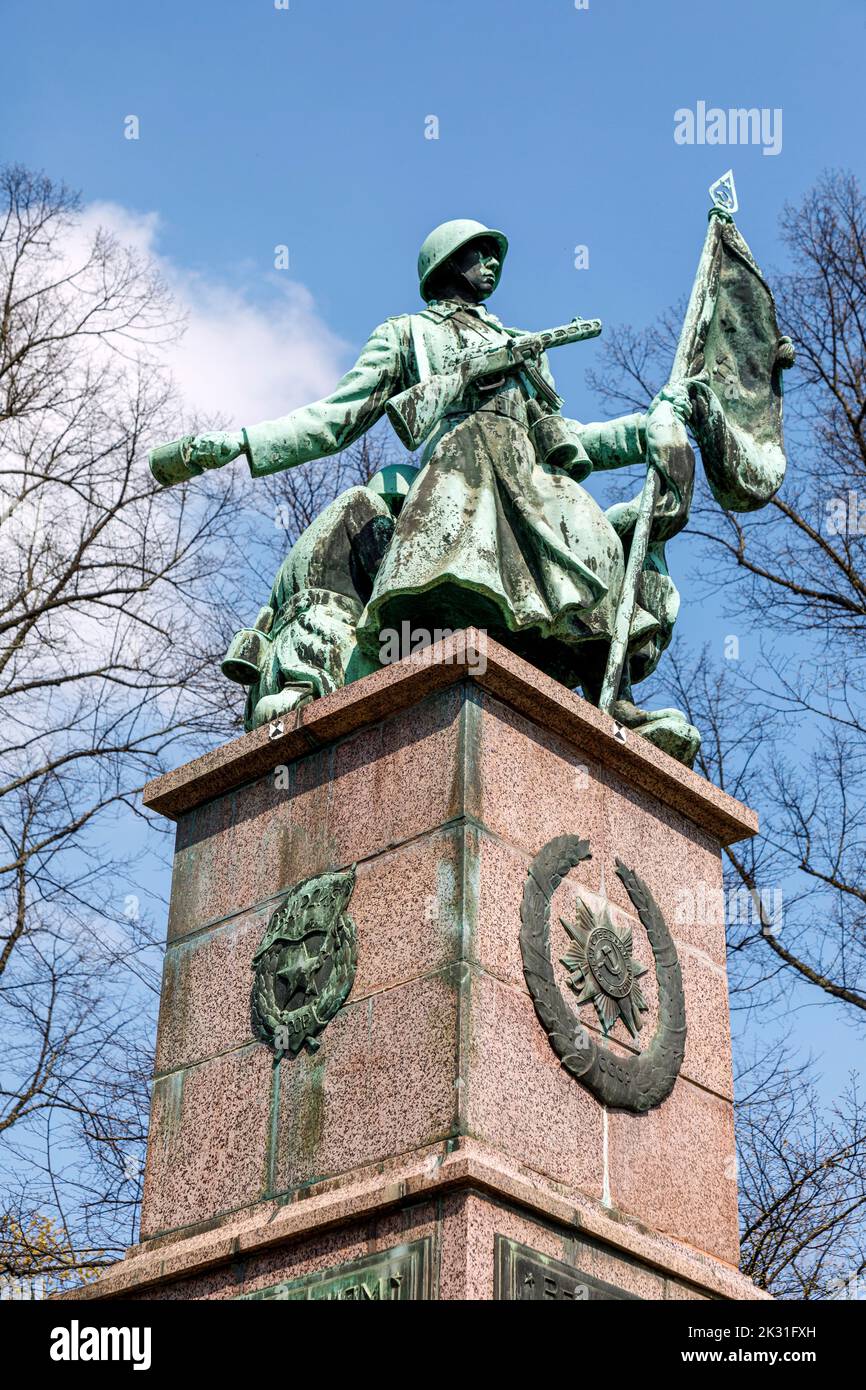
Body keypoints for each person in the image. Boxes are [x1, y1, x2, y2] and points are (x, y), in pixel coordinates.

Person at [161, 220, 700, 762]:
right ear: (447, 262)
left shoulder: (525, 349)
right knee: (471, 481)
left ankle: (618, 699)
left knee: (595, 539)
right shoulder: (406, 334)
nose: (493, 264)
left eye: (496, 255)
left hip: (530, 480)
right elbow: (335, 418)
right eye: (479, 253)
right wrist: (240, 443)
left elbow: (565, 437)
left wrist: (645, 427)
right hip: (459, 474)